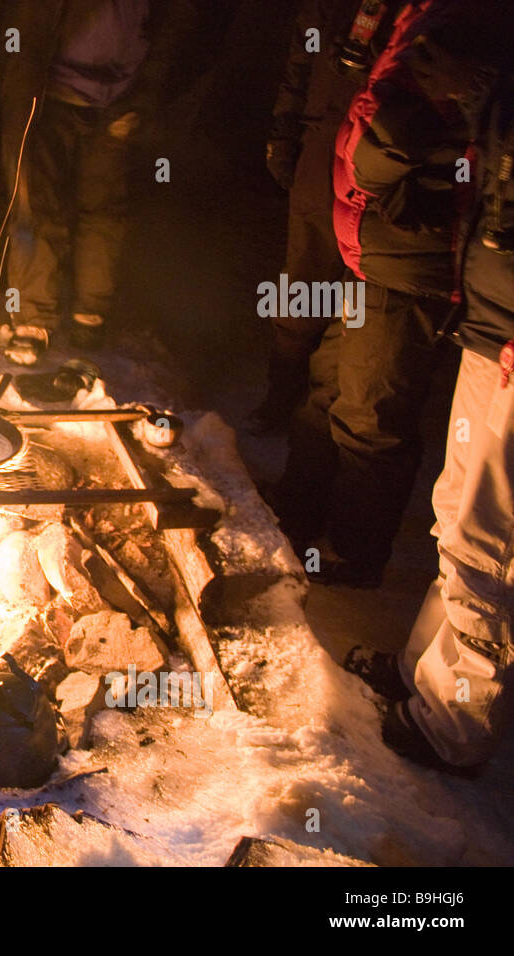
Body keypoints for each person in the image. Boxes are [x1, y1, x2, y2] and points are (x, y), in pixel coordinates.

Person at [271, 0, 485, 588]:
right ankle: (296, 511)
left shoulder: (463, 24)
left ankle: (352, 554)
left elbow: (395, 134)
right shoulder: (407, 13)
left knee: (371, 416)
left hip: (410, 258)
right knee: (331, 385)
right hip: (373, 253)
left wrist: (371, 164)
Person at [346, 27, 513, 774]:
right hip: (490, 329)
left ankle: (455, 726)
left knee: (494, 547)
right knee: (456, 512)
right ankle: (425, 676)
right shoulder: (494, 102)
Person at [0, 0, 196, 366]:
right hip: (46, 93)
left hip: (118, 102)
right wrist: (19, 87)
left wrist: (144, 99)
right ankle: (33, 316)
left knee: (103, 212)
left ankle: (91, 310)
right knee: (36, 208)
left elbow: (173, 36)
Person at [250, 0, 404, 434]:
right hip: (322, 139)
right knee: (304, 280)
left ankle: (321, 411)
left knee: (360, 293)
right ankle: (281, 399)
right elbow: (301, 62)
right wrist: (284, 133)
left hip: (382, 149)